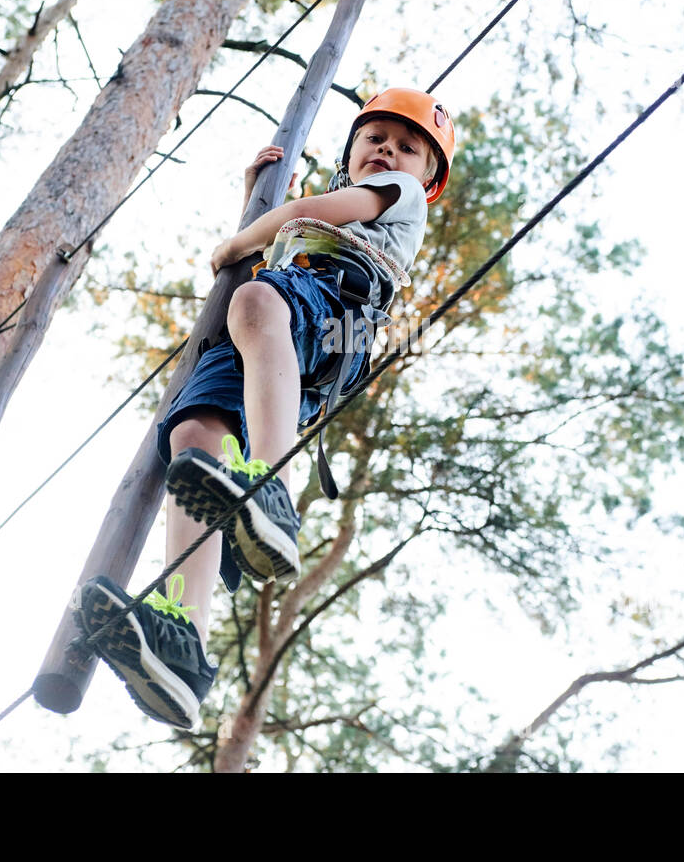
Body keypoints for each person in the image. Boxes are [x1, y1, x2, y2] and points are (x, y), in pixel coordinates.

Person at [76, 89, 455, 728]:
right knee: (193, 438)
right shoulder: (322, 218)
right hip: (278, 315)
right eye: (374, 137)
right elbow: (274, 243)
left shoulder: (397, 194)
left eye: (407, 147)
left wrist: (242, 235)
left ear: (426, 177)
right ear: (351, 149)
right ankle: (182, 641)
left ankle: (271, 492)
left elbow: (292, 220)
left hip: (331, 309)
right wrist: (255, 203)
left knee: (252, 302)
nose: (387, 149)